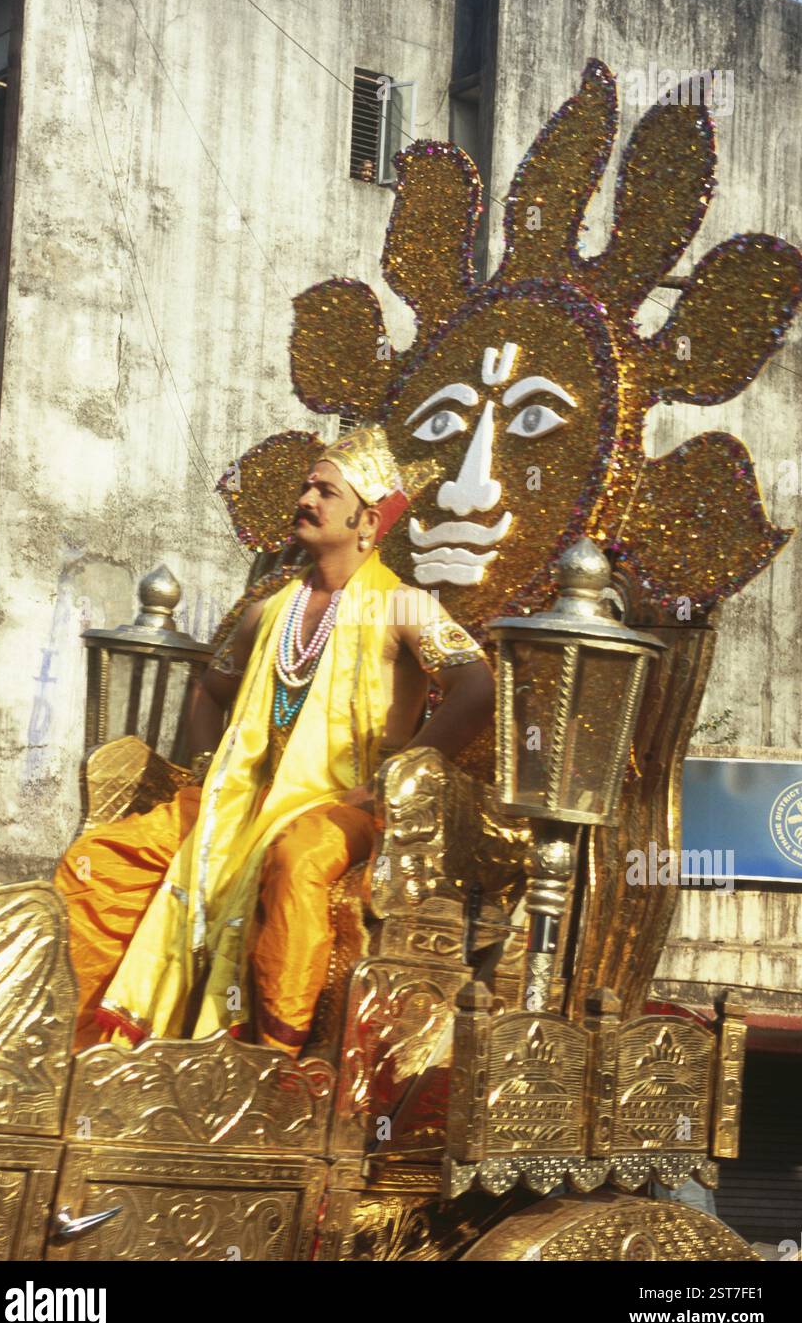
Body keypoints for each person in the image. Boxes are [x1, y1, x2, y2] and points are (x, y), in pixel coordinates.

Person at [55, 426, 495, 1055]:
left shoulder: (404, 607)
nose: (306, 498)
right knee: (103, 858)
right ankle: (75, 1043)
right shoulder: (268, 610)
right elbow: (210, 691)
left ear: (366, 520)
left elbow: (476, 690)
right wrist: (210, 771)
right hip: (239, 798)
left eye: (324, 490)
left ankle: (271, 1066)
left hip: (345, 802)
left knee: (297, 862)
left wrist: (394, 784)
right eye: (307, 486)